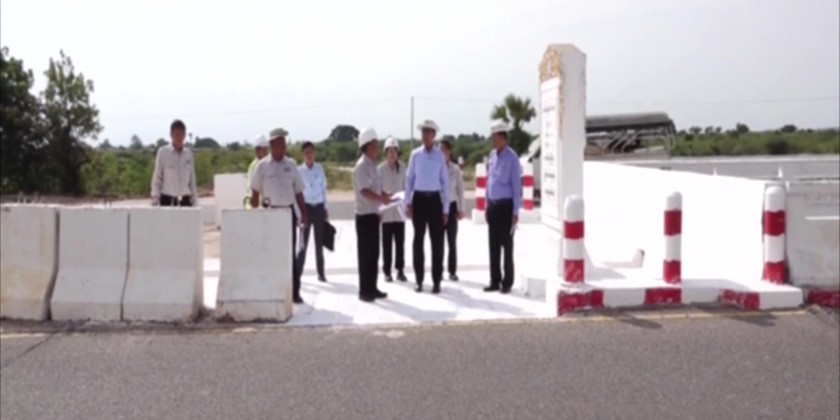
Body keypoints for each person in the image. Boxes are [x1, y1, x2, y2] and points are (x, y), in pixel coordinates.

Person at [250, 127, 309, 304]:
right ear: (272, 145)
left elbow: (299, 193)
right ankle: (271, 291)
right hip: (270, 213)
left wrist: (304, 214)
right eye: (280, 143)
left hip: (287, 213)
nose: (283, 146)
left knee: (289, 255)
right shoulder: (262, 166)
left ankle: (294, 293)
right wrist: (254, 213)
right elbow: (254, 193)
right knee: (270, 255)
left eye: (285, 143)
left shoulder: (291, 165)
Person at [404, 120, 449, 294]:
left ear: (434, 135)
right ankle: (419, 280)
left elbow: (445, 184)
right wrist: (408, 202)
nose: (425, 135)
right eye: (423, 131)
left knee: (437, 243)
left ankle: (437, 280)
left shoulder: (440, 156)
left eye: (428, 132)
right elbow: (409, 180)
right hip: (420, 200)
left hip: (435, 201)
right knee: (418, 241)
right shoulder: (415, 155)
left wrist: (445, 210)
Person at [353, 128, 392, 302]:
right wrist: (380, 199)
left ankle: (372, 287)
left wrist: (385, 195)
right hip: (364, 216)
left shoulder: (373, 166)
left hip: (374, 214)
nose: (378, 148)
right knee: (365, 255)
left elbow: (375, 188)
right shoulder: (361, 166)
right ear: (368, 146)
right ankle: (364, 290)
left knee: (374, 254)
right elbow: (365, 191)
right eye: (376, 145)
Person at [484, 122, 522, 294]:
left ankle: (507, 282)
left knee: (507, 246)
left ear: (502, 138)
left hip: (506, 207)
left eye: (495, 137)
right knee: (493, 245)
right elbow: (488, 181)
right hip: (493, 206)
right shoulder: (492, 155)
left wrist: (515, 212)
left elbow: (517, 187)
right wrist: (486, 204)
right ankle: (495, 280)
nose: (493, 140)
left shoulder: (512, 157)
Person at [296, 141, 329, 283]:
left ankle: (321, 273)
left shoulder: (319, 168)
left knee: (319, 243)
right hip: (306, 208)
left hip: (319, 207)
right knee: (303, 244)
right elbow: (297, 192)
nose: (310, 155)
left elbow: (324, 189)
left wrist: (325, 208)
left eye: (311, 152)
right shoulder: (299, 171)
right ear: (303, 155)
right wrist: (300, 213)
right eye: (307, 153)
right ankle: (298, 274)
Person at [377, 136, 408, 283]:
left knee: (400, 243)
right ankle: (387, 271)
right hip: (386, 213)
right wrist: (379, 212)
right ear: (385, 153)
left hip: (400, 212)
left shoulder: (403, 168)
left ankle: (400, 270)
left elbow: (407, 188)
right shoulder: (380, 170)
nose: (392, 154)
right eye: (389, 151)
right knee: (387, 243)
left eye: (394, 151)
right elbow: (377, 191)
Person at [151, 119, 198, 207]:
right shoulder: (163, 152)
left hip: (185, 201)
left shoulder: (188, 154)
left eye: (182, 135)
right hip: (168, 201)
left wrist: (195, 201)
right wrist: (155, 198)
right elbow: (157, 178)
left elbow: (192, 180)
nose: (179, 138)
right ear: (171, 135)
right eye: (177, 135)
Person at [439, 139, 465, 281]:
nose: (442, 152)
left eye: (444, 149)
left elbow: (461, 190)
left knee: (451, 241)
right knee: (439, 241)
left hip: (452, 205)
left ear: (449, 151)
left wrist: (461, 209)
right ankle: (439, 270)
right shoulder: (435, 167)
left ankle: (452, 271)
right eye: (440, 149)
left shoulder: (455, 169)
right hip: (438, 207)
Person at [244, 134, 269, 209]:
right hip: (255, 204)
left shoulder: (271, 164)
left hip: (269, 203)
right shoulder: (253, 166)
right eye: (258, 149)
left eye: (264, 149)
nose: (262, 151)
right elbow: (250, 188)